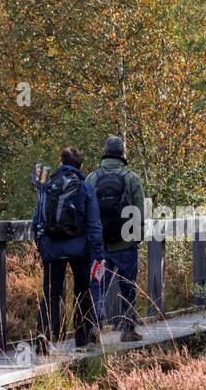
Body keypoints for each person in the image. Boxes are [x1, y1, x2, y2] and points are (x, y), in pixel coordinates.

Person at [34, 147, 106, 352]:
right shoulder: (84, 188)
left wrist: (41, 246)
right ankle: (82, 338)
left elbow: (38, 218)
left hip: (52, 248)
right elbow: (94, 225)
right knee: (82, 291)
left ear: (61, 162)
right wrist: (98, 255)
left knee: (51, 293)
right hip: (80, 250)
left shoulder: (48, 185)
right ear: (80, 165)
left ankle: (43, 335)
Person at [87, 135, 145, 343]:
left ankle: (93, 329)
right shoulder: (132, 178)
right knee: (128, 285)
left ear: (105, 152)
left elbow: (87, 210)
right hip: (125, 242)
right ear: (122, 153)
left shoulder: (92, 178)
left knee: (97, 284)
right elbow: (138, 210)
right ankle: (128, 329)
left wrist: (91, 240)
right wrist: (137, 237)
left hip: (99, 245)